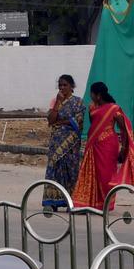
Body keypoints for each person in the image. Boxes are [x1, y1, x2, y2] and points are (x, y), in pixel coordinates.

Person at [75, 81, 134, 210]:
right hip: (93, 144)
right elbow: (94, 124)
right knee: (93, 173)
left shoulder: (113, 108)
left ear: (98, 95)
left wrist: (124, 148)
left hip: (108, 146)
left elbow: (123, 128)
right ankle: (90, 203)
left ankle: (106, 203)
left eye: (92, 93)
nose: (90, 95)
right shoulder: (92, 107)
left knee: (105, 175)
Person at [43, 75, 85, 210]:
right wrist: (57, 104)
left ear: (72, 87)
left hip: (71, 142)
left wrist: (60, 122)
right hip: (56, 141)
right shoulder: (55, 101)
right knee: (54, 168)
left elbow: (78, 121)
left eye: (65, 85)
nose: (62, 88)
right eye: (60, 85)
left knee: (71, 170)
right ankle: (53, 202)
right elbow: (50, 120)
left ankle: (71, 201)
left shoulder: (78, 102)